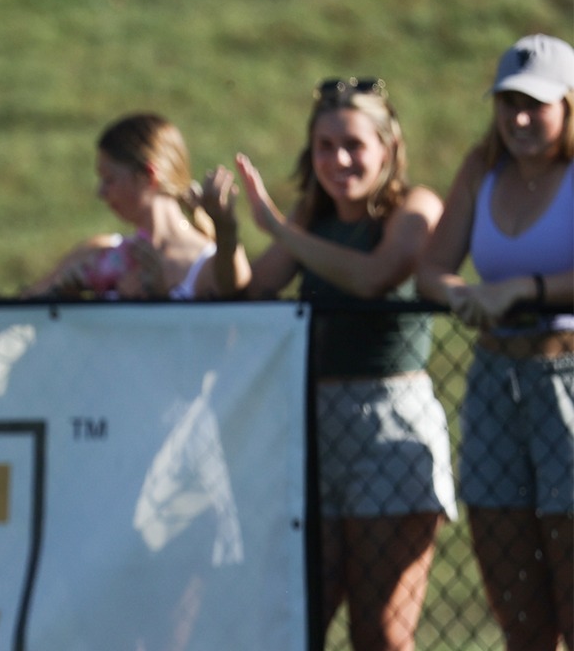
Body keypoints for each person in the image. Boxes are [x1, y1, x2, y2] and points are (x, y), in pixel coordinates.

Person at [200, 77, 451, 651]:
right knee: (298, 619)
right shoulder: (310, 219)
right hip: (312, 426)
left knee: (380, 633)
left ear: (388, 147)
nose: (338, 159)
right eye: (324, 146)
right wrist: (228, 233)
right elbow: (251, 289)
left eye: (354, 145)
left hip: (388, 425)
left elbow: (373, 277)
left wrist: (280, 229)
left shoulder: (416, 208)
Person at [417, 33, 574, 651]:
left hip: (566, 382)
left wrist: (523, 291)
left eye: (536, 104)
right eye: (508, 102)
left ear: (568, 104)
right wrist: (463, 293)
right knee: (513, 593)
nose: (519, 118)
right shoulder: (482, 168)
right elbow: (432, 268)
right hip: (492, 385)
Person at [22, 112, 247, 300]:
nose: (100, 192)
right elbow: (18, 309)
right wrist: (64, 297)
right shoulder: (98, 252)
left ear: (148, 175)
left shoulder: (207, 262)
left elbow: (234, 289)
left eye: (109, 179)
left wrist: (160, 297)